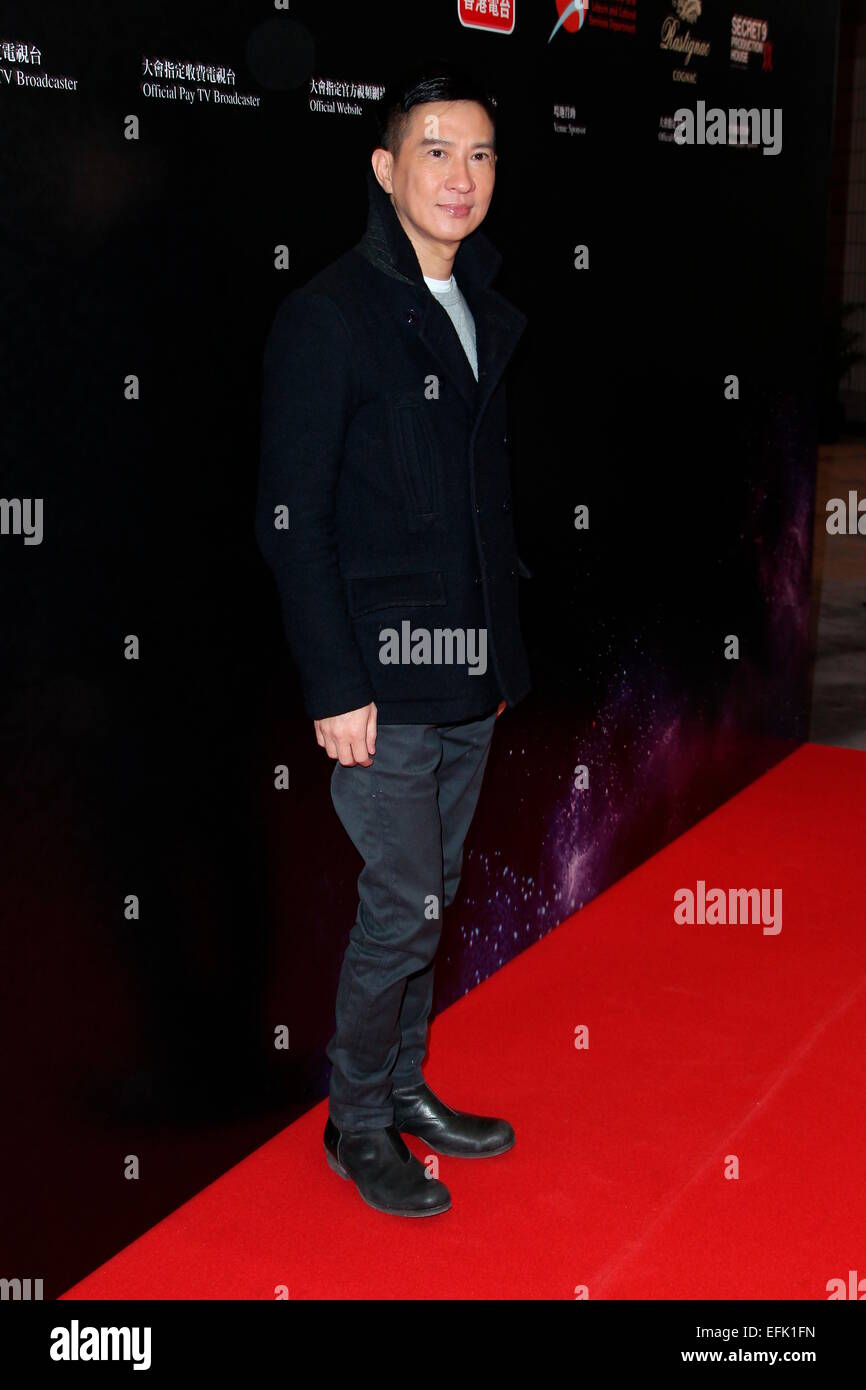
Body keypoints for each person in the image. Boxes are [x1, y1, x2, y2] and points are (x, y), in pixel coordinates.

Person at [255, 58, 533, 1217]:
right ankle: (354, 1116)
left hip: (466, 673)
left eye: (477, 154)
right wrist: (333, 682)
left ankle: (404, 1084)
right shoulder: (327, 315)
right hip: (376, 676)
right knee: (401, 896)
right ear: (384, 166)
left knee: (435, 890)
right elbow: (287, 517)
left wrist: (497, 661)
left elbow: (482, 505)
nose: (458, 176)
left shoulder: (476, 303)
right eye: (434, 149)